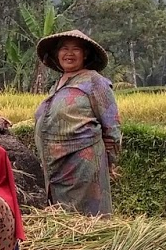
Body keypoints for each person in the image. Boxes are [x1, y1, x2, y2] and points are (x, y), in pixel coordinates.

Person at [32, 29, 123, 216]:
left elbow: (112, 126)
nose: (69, 53)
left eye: (76, 49)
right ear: (57, 54)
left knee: (86, 220)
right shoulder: (56, 86)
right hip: (56, 168)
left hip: (83, 168)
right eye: (64, 48)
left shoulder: (94, 81)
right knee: (62, 220)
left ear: (85, 54)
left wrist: (110, 161)